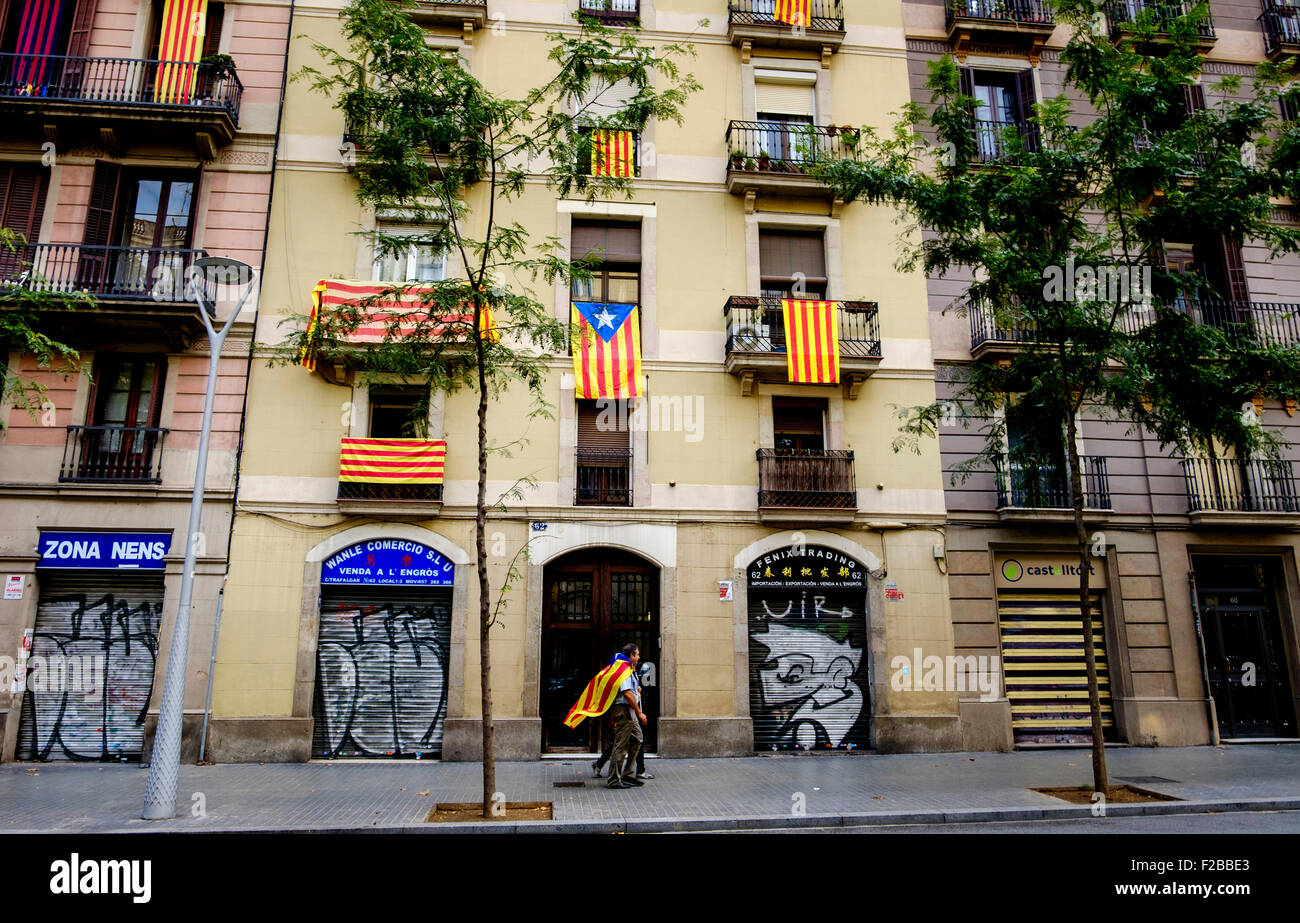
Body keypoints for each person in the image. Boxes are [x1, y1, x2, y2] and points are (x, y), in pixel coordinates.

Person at [605, 643, 647, 790]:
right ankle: (613, 780)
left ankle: (628, 774)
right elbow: (627, 693)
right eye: (637, 654)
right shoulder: (624, 670)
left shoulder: (629, 669)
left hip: (629, 709)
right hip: (625, 709)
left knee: (637, 739)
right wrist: (639, 712)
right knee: (620, 745)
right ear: (631, 656)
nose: (639, 657)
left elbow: (632, 691)